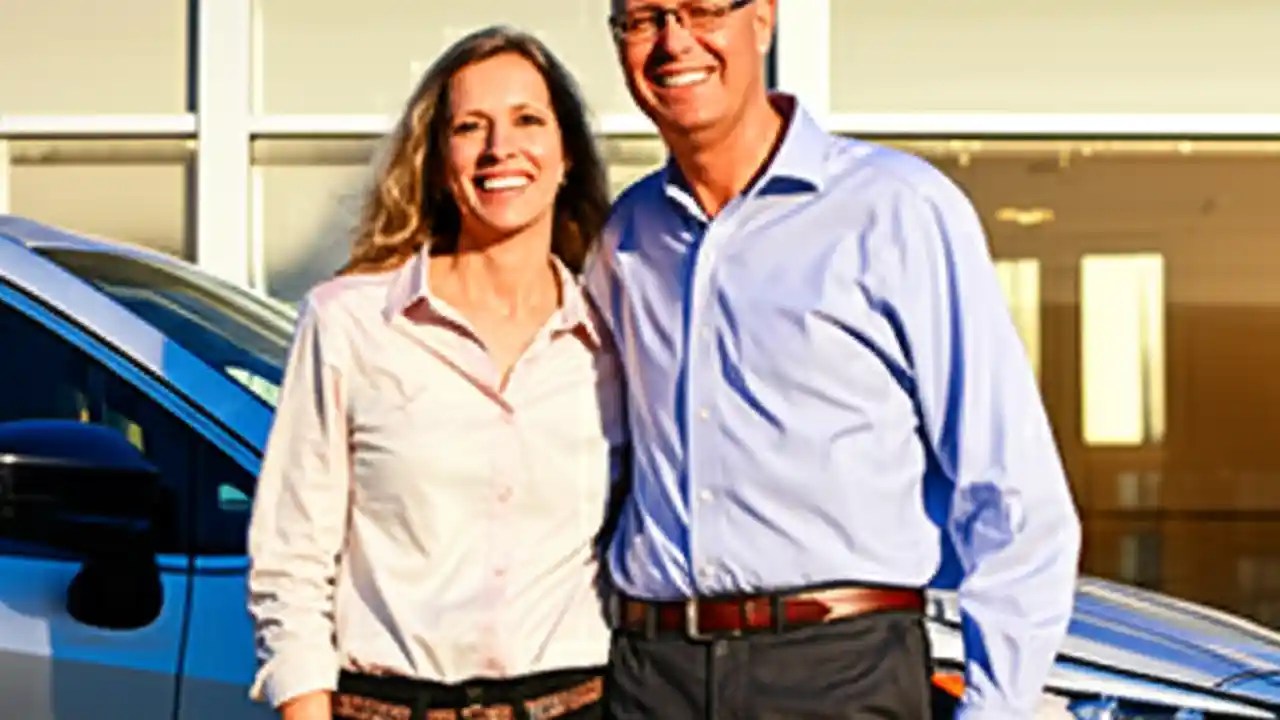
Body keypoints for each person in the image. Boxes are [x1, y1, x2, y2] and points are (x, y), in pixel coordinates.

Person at [586, 0, 1083, 718]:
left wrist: (995, 705)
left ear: (762, 18)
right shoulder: (627, 236)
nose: (673, 41)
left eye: (700, 10)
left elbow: (1008, 486)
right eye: (644, 19)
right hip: (651, 678)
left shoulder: (896, 209)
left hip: (840, 674)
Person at [246, 25, 625, 720]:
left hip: (577, 705)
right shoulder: (351, 324)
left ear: (566, 153)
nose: (499, 149)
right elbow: (291, 561)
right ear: (437, 160)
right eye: (470, 127)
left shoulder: (612, 336)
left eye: (527, 121)